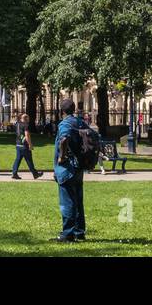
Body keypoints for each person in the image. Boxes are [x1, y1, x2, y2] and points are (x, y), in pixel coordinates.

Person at [53, 98, 90, 243]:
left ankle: (67, 233)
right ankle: (79, 231)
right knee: (77, 201)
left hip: (67, 167)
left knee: (67, 201)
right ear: (73, 109)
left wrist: (61, 157)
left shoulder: (65, 123)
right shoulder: (80, 122)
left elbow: (63, 139)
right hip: (78, 167)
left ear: (62, 111)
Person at [11, 112, 43, 180]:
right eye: (28, 119)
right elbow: (27, 135)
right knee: (29, 160)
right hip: (24, 145)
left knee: (18, 159)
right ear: (26, 119)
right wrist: (30, 144)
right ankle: (35, 174)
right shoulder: (25, 125)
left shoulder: (17, 124)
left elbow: (14, 123)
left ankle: (14, 173)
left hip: (18, 144)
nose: (29, 120)